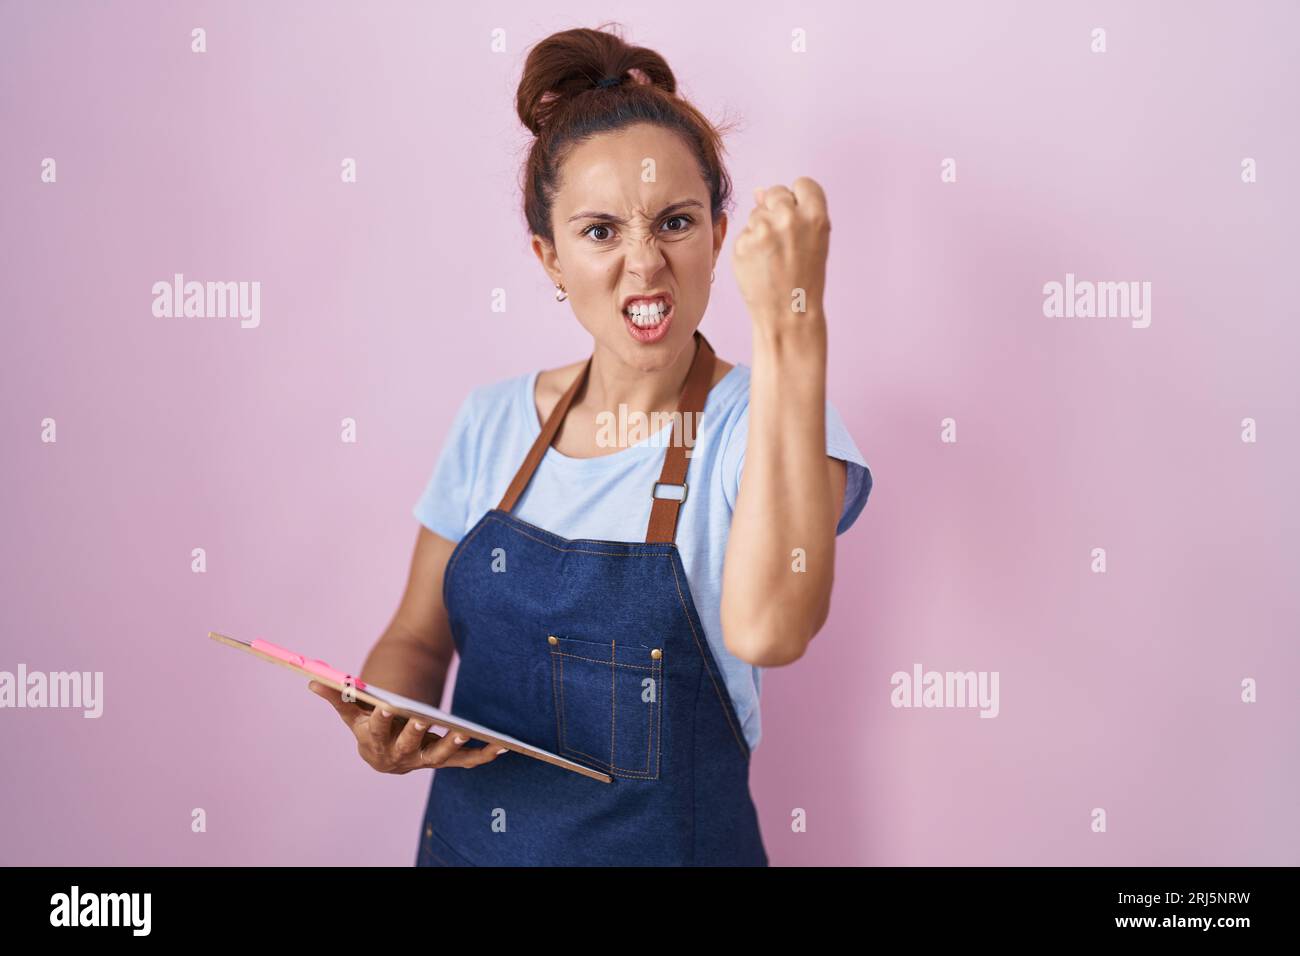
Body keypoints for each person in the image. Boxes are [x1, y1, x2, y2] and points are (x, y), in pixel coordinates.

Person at [309, 24, 872, 866]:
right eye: (601, 231)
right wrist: (388, 715)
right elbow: (418, 640)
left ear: (720, 238)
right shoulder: (491, 421)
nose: (644, 264)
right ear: (550, 258)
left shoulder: (770, 421)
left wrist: (793, 324)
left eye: (676, 222)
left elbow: (771, 631)